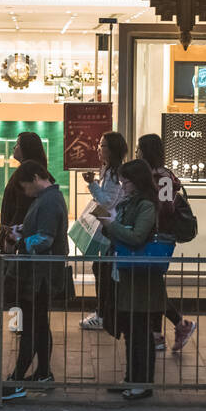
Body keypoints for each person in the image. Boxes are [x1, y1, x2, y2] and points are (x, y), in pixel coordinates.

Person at [0, 160, 67, 400]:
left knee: (30, 326)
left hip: (40, 276)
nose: (25, 192)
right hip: (41, 274)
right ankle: (43, 373)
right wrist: (23, 232)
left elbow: (45, 239)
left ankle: (17, 379)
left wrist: (20, 241)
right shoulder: (47, 199)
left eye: (26, 186)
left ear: (37, 177)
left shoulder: (49, 202)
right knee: (38, 325)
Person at [99, 158, 165, 400]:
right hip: (125, 273)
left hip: (141, 276)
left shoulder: (146, 205)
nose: (122, 184)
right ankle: (130, 376)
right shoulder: (128, 202)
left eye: (126, 180)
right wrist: (109, 224)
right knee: (130, 330)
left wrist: (111, 225)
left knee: (140, 332)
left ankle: (143, 382)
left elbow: (137, 236)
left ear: (136, 181)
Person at [137, 134, 195, 352]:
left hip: (158, 236)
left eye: (139, 149)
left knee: (152, 283)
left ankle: (175, 326)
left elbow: (165, 206)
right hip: (156, 235)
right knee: (152, 283)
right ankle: (160, 332)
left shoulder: (160, 176)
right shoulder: (159, 174)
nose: (137, 153)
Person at [0, 132, 48, 321]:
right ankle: (18, 324)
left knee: (18, 285)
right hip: (16, 234)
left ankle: (19, 325)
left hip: (18, 237)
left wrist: (12, 236)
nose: (14, 148)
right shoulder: (27, 170)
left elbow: (22, 209)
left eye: (17, 144)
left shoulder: (29, 173)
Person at [79, 131, 128, 333]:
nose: (99, 148)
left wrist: (91, 184)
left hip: (111, 228)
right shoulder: (108, 170)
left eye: (103, 145)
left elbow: (108, 202)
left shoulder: (116, 174)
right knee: (100, 269)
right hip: (107, 226)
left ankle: (104, 314)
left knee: (104, 271)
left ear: (113, 150)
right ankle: (103, 312)